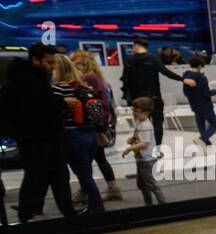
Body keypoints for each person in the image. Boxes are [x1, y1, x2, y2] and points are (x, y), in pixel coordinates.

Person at [0, 44, 76, 221]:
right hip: (37, 138)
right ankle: (31, 213)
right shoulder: (28, 82)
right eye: (49, 62)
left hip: (39, 137)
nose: (53, 66)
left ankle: (38, 212)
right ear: (35, 60)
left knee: (48, 175)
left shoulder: (31, 79)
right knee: (44, 175)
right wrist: (63, 104)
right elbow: (37, 108)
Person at [51, 54, 105, 213]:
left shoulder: (59, 88)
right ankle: (93, 205)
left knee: (83, 175)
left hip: (72, 136)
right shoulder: (83, 87)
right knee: (86, 172)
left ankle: (97, 206)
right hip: (91, 135)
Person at [69, 49, 125, 202]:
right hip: (97, 124)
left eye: (73, 60)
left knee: (91, 159)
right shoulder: (93, 76)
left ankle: (92, 189)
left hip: (94, 125)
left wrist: (101, 126)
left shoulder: (89, 78)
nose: (71, 62)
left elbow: (99, 103)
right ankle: (98, 188)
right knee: (96, 158)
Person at [121, 38, 182, 147]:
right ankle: (157, 148)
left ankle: (141, 147)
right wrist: (182, 79)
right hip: (153, 97)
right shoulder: (153, 58)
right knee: (158, 123)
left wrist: (129, 99)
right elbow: (165, 72)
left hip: (137, 99)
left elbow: (125, 80)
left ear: (136, 46)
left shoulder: (129, 60)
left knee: (140, 124)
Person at [121, 97, 165, 205]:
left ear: (146, 112)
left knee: (151, 184)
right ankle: (148, 203)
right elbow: (139, 139)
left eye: (137, 111)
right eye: (133, 110)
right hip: (141, 159)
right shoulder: (140, 122)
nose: (134, 113)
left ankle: (163, 204)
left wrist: (129, 148)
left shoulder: (145, 125)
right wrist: (132, 140)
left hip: (147, 159)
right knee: (142, 184)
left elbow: (145, 143)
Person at [181, 55, 216, 145]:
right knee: (214, 124)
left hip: (193, 103)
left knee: (200, 122)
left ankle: (205, 141)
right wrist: (214, 91)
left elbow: (185, 92)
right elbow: (206, 93)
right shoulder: (201, 78)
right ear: (200, 65)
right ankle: (202, 139)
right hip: (205, 104)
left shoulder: (186, 77)